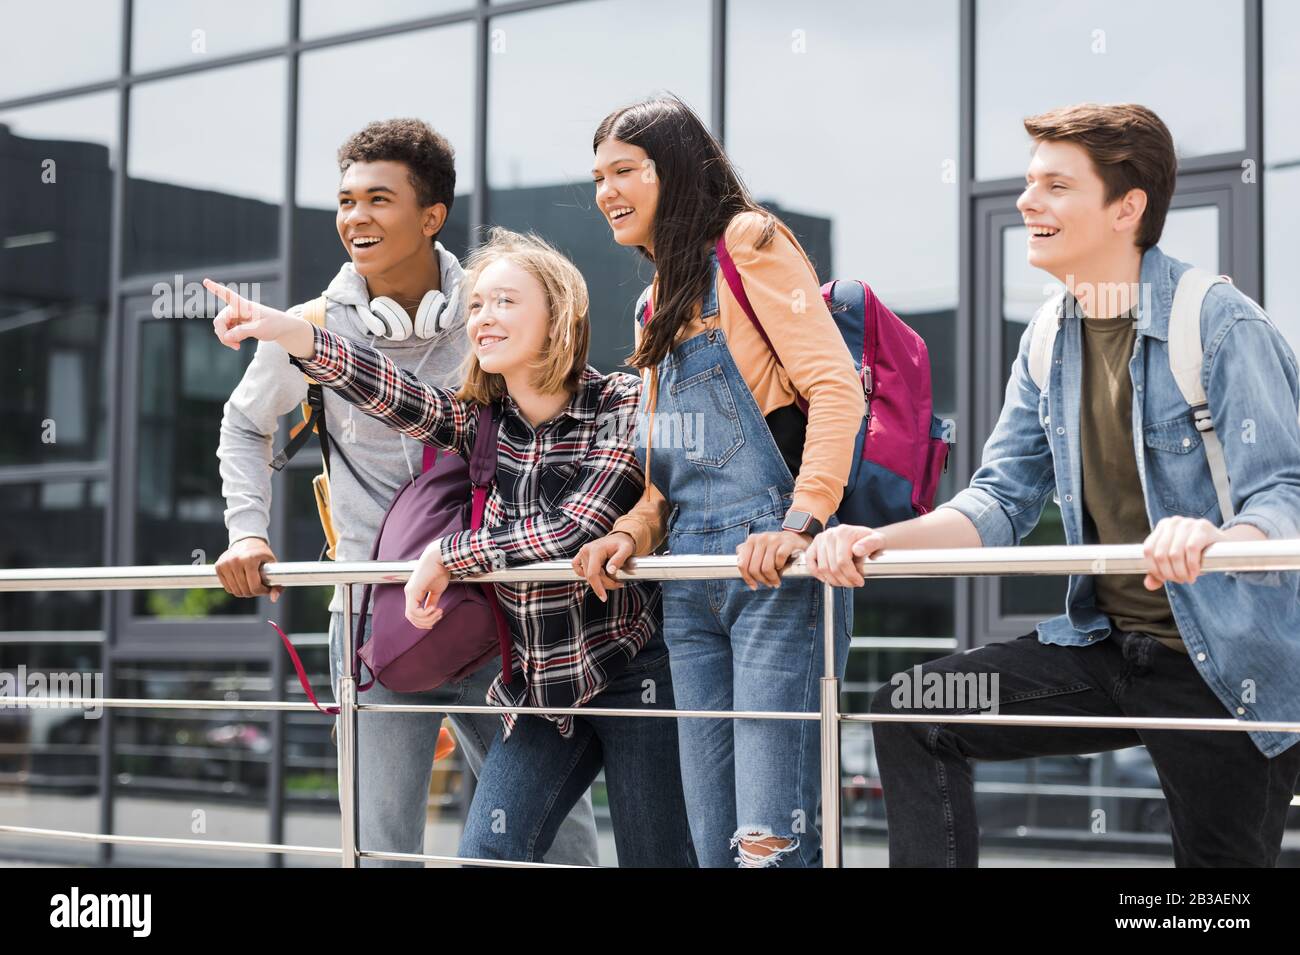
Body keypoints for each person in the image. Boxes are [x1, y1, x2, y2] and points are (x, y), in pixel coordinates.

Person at [807, 102, 1300, 867]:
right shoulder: (1048, 339)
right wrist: (878, 538)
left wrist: (1217, 535)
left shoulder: (1221, 323)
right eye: (1029, 182)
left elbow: (1286, 490)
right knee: (913, 708)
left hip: (1223, 670)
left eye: (1056, 186)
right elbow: (1000, 500)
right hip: (1105, 653)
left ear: (1126, 208)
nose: (1028, 203)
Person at [206, 227, 696, 867]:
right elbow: (386, 387)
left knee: (655, 858)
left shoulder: (621, 402)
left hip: (631, 678)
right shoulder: (482, 423)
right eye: (477, 305)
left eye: (505, 303)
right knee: (489, 851)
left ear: (558, 315)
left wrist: (448, 556)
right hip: (545, 692)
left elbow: (575, 526)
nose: (483, 318)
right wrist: (289, 333)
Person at [214, 119, 597, 867]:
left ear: (431, 216)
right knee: (380, 844)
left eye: (378, 199)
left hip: (501, 605)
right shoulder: (311, 328)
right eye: (346, 200)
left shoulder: (493, 314)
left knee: (555, 833)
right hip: (370, 616)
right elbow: (243, 426)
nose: (355, 217)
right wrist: (247, 530)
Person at [573, 95, 864, 867]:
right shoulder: (651, 305)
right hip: (689, 575)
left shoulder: (749, 243)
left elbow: (837, 386)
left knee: (769, 841)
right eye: (597, 176)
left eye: (624, 171)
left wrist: (801, 525)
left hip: (773, 566)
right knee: (714, 844)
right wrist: (627, 533)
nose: (606, 191)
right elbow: (665, 477)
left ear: (675, 169)